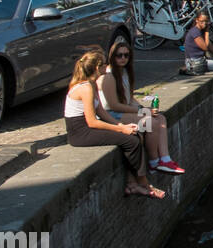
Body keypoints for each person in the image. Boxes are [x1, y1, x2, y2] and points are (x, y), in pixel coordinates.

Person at [65, 50, 163, 199]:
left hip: (86, 128)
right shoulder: (85, 88)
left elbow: (102, 113)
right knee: (131, 141)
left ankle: (132, 183)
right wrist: (120, 129)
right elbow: (92, 121)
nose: (108, 66)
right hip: (80, 133)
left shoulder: (92, 84)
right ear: (98, 68)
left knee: (134, 135)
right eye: (105, 64)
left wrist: (122, 126)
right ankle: (143, 183)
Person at [98, 39, 186, 174]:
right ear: (112, 56)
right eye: (119, 55)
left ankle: (165, 159)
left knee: (160, 118)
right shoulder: (109, 76)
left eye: (126, 55)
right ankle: (154, 162)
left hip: (122, 110)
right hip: (111, 114)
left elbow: (130, 98)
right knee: (150, 122)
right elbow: (114, 105)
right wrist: (142, 111)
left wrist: (145, 109)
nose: (123, 58)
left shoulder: (125, 72)